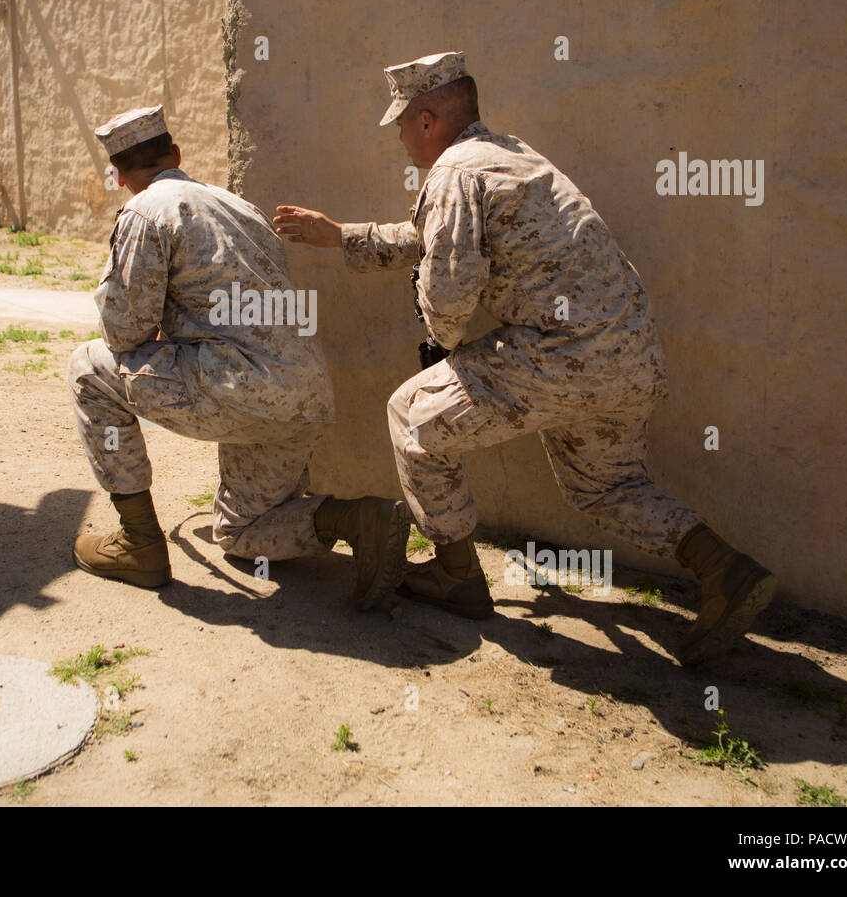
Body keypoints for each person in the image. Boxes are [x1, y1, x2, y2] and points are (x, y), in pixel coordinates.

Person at [273, 52, 776, 664]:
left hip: (561, 353)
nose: (399, 136)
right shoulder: (510, 155)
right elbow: (441, 235)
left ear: (427, 119)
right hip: (629, 352)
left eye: (401, 123)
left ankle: (456, 576)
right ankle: (725, 570)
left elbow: (450, 284)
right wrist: (344, 235)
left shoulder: (455, 170)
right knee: (608, 486)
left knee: (412, 416)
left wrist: (441, 345)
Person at [68, 104, 410, 609]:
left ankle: (139, 543)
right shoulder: (239, 206)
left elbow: (123, 331)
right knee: (241, 532)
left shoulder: (147, 211)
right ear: (177, 154)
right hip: (304, 396)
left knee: (88, 368)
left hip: (236, 388)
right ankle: (359, 518)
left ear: (117, 176)